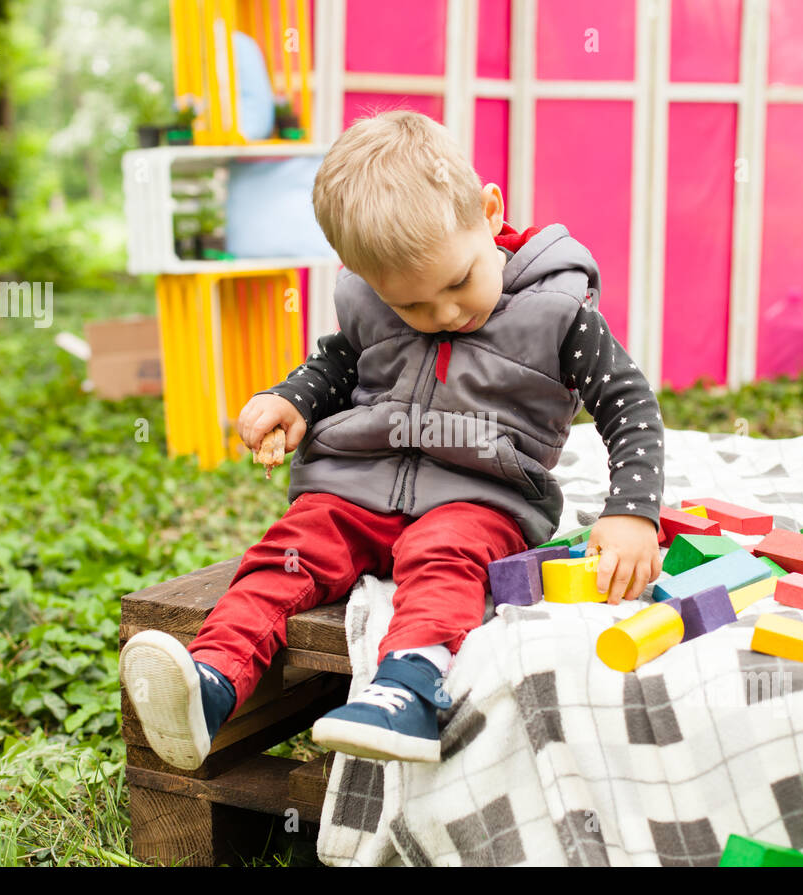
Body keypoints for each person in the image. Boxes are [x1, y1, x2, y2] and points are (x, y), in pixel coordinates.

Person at [120, 109, 665, 767]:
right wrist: (291, 400)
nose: (445, 315)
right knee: (286, 552)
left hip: (478, 497)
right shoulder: (374, 300)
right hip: (356, 486)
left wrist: (632, 512)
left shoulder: (558, 311)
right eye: (412, 306)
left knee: (443, 555)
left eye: (460, 282)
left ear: (489, 213)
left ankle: (409, 687)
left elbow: (628, 406)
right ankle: (210, 682)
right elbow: (340, 361)